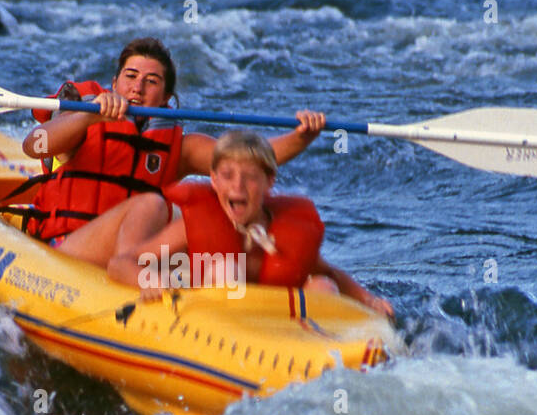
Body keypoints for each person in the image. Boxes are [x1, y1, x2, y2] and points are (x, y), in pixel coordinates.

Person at [21, 37, 325, 266]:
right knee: (151, 205)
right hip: (68, 250)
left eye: (151, 81)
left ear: (167, 97)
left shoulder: (179, 147)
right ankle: (128, 274)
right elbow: (34, 146)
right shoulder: (83, 120)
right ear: (114, 83)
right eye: (130, 76)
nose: (137, 87)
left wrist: (302, 137)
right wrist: (87, 115)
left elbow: (249, 159)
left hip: (136, 256)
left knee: (207, 210)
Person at [107, 130, 395, 318]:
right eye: (228, 176)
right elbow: (121, 263)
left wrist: (369, 302)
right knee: (223, 267)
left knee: (322, 286)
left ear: (270, 182)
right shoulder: (197, 223)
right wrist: (151, 281)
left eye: (250, 177)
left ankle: (317, 356)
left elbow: (328, 271)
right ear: (214, 180)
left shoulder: (283, 230)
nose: (238, 186)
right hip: (212, 322)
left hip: (269, 325)